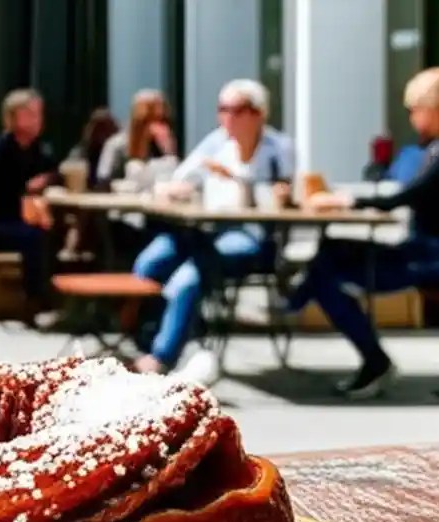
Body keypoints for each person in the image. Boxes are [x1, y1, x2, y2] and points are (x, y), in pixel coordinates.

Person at [293, 67, 439, 399]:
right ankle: (295, 302)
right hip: (425, 252)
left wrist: (345, 199)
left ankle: (366, 354)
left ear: (434, 108)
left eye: (414, 110)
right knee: (329, 255)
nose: (411, 119)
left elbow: (407, 195)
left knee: (324, 270)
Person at [130, 79, 294, 379]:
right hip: (205, 228)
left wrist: (239, 181)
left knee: (190, 276)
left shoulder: (277, 148)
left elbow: (285, 199)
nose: (226, 117)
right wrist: (175, 189)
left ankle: (161, 356)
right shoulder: (216, 142)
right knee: (150, 261)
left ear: (258, 113)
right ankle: (163, 336)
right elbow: (182, 177)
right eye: (222, 109)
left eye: (235, 110)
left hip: (250, 235)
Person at [0, 88, 57, 313]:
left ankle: (60, 297)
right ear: (14, 118)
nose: (38, 119)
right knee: (35, 238)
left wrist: (47, 180)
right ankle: (35, 302)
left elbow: (53, 172)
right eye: (31, 113)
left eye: (39, 113)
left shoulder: (39, 149)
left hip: (27, 217)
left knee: (54, 234)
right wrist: (24, 192)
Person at [97, 89, 178, 184]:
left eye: (161, 120)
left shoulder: (164, 144)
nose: (155, 127)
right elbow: (103, 179)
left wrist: (169, 150)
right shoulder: (117, 145)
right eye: (147, 121)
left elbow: (177, 178)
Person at [67, 107, 119, 189]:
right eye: (98, 128)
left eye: (105, 128)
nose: (102, 133)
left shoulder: (119, 154)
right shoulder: (80, 153)